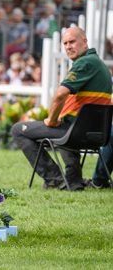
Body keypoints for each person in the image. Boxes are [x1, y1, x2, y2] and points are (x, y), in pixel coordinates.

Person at [11, 26, 112, 190]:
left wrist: (51, 120)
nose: (68, 46)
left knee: (18, 129)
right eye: (65, 43)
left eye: (72, 41)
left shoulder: (85, 63)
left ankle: (55, 179)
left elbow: (60, 94)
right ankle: (74, 181)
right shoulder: (99, 65)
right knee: (65, 123)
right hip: (94, 133)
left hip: (76, 133)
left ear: (84, 41)